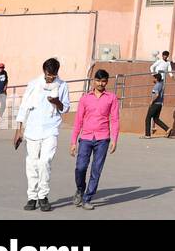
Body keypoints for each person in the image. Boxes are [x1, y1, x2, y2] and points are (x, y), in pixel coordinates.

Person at [13, 57, 71, 212]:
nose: (50, 78)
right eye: (48, 74)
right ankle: (31, 197)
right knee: (32, 163)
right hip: (32, 129)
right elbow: (24, 106)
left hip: (51, 129)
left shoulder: (62, 86)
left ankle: (43, 196)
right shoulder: (34, 84)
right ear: (44, 71)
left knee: (45, 161)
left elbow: (65, 108)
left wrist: (56, 102)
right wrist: (19, 130)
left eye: (53, 75)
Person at [70, 69, 119, 210]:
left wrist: (114, 139)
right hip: (85, 137)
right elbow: (78, 120)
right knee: (81, 167)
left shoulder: (111, 98)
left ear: (107, 82)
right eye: (98, 80)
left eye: (103, 81)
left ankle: (87, 198)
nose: (100, 83)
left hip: (103, 139)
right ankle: (80, 189)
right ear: (94, 81)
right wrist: (73, 141)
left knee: (96, 169)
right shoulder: (85, 98)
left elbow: (115, 119)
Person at [145, 73, 171, 138]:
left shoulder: (157, 86)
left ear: (156, 79)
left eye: (154, 78)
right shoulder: (161, 85)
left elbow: (156, 95)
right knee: (156, 119)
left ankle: (147, 135)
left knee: (148, 118)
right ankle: (167, 129)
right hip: (160, 104)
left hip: (155, 104)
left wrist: (152, 101)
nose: (153, 79)